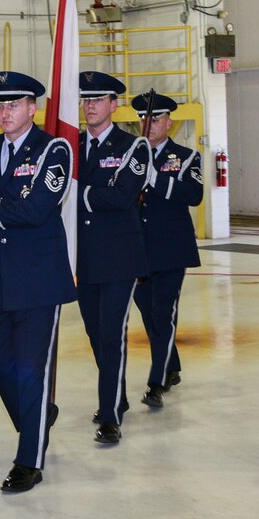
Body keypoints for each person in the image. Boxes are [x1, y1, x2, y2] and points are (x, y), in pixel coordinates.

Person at [0, 70, 76, 492]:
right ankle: (38, 417)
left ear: (33, 108)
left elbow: (37, 210)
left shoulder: (54, 149)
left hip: (37, 280)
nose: (4, 111)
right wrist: (3, 206)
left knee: (31, 371)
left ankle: (29, 461)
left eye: (13, 104)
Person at [75, 72, 150, 445]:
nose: (90, 105)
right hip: (84, 258)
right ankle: (115, 396)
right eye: (86, 99)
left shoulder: (133, 147)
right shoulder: (69, 145)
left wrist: (79, 192)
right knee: (94, 333)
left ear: (113, 104)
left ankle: (110, 415)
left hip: (119, 258)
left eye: (98, 99)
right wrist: (93, 191)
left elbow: (122, 196)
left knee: (111, 334)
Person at [130, 91, 202, 409]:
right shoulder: (130, 155)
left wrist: (155, 179)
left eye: (155, 118)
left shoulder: (185, 157)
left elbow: (194, 193)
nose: (148, 124)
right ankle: (171, 366)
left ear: (169, 122)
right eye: (143, 118)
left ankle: (157, 381)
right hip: (139, 251)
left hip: (171, 250)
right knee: (147, 309)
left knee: (163, 312)